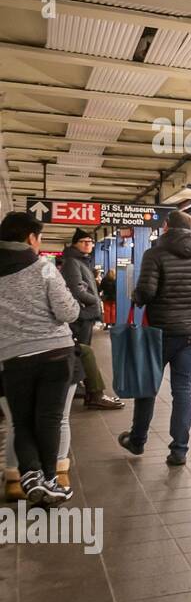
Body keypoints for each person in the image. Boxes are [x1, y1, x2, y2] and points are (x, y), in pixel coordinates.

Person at [116, 210, 191, 468]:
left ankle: (137, 440)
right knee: (182, 389)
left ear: (166, 226)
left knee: (147, 387)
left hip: (159, 333)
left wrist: (136, 297)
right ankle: (179, 450)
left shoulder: (154, 254)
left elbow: (146, 291)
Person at [0, 211, 78, 504]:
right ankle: (47, 480)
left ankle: (30, 474)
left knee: (21, 422)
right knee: (49, 419)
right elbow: (68, 312)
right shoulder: (43, 268)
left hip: (13, 358)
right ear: (31, 238)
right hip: (55, 355)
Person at [62, 229, 124, 410]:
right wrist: (96, 301)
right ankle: (91, 393)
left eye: (90, 241)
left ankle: (86, 388)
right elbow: (76, 290)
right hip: (81, 316)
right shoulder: (73, 262)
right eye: (84, 241)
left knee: (83, 352)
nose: (88, 244)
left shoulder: (79, 261)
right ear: (75, 243)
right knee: (83, 352)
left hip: (85, 314)